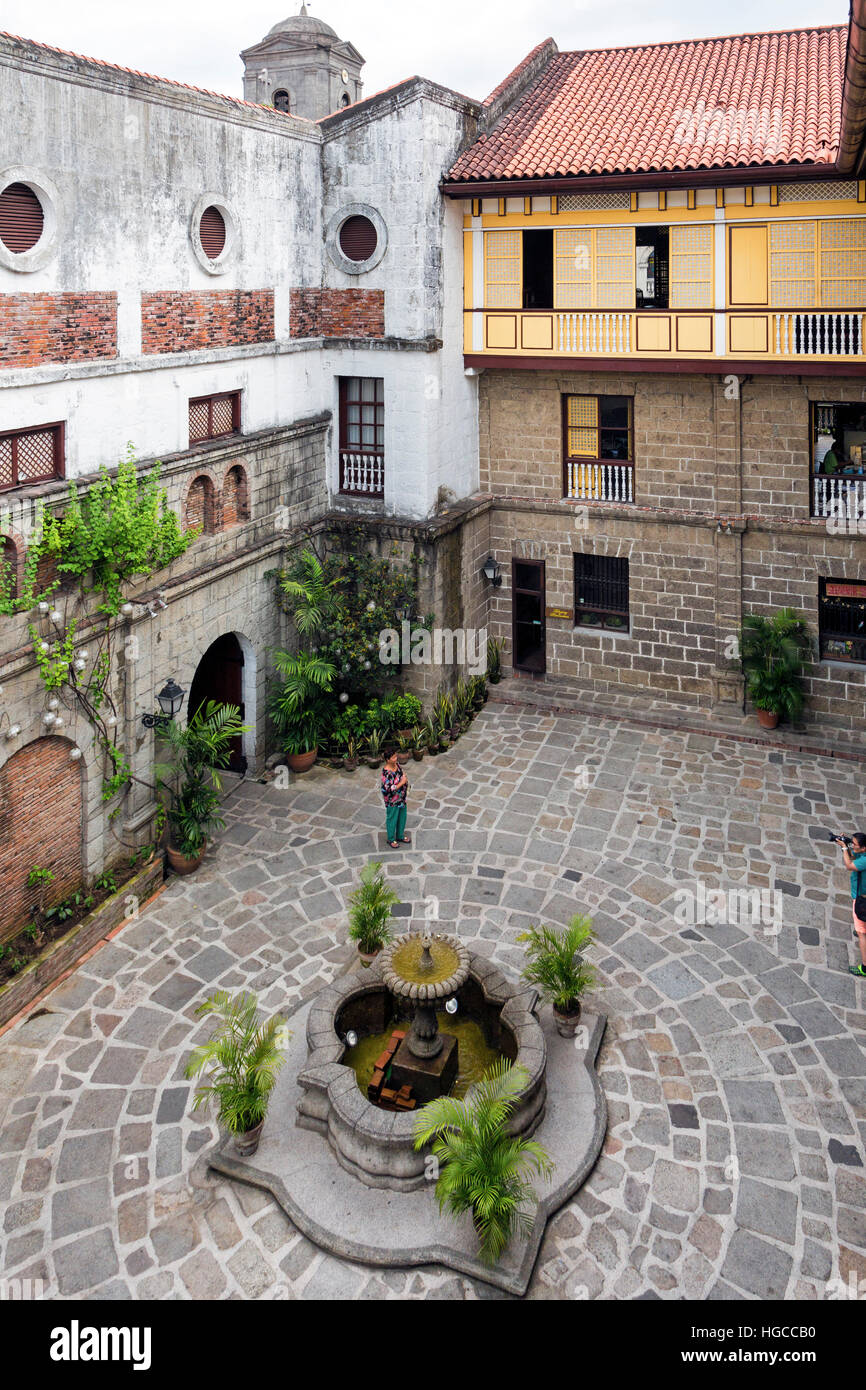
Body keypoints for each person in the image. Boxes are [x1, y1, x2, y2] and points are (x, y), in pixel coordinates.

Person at [835, 832, 866, 977]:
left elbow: (849, 865)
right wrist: (847, 846)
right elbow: (854, 857)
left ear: (864, 848)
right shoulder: (863, 854)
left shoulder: (865, 860)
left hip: (862, 900)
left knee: (861, 933)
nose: (853, 846)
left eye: (855, 845)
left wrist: (843, 849)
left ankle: (864, 968)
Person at [381, 751, 411, 849]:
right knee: (392, 819)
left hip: (401, 798)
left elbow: (401, 774)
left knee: (402, 817)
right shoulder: (386, 773)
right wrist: (402, 782)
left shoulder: (397, 765)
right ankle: (390, 839)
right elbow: (389, 789)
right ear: (387, 760)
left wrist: (404, 779)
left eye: (395, 756)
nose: (395, 758)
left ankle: (400, 836)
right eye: (393, 757)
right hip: (392, 800)